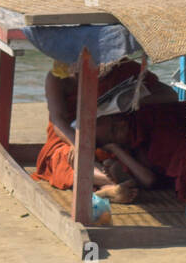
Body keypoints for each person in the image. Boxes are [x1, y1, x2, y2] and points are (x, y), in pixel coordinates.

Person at [32, 58, 172, 199]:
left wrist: (133, 101)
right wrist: (78, 143)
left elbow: (170, 95)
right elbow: (58, 121)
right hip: (70, 136)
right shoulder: (59, 77)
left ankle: (109, 187)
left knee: (127, 156)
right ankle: (111, 184)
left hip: (111, 134)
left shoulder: (124, 68)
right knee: (69, 158)